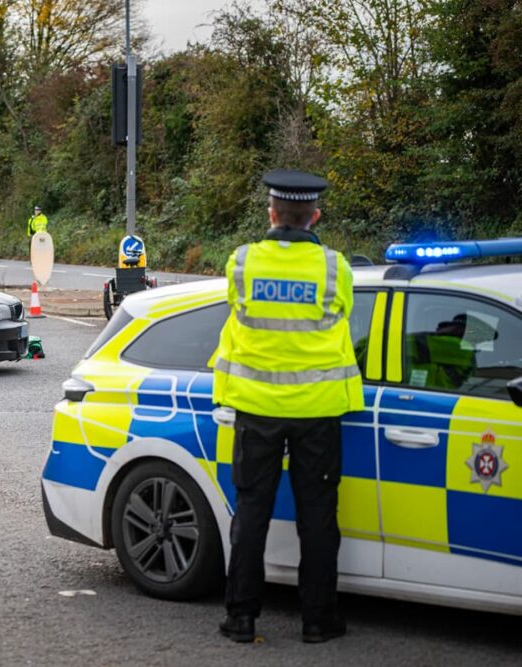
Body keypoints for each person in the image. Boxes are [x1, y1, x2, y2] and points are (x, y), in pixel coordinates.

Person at [211, 169, 364, 644]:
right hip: (318, 410)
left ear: (272, 214)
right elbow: (343, 314)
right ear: (314, 216)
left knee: (251, 513)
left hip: (255, 408)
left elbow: (237, 307)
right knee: (317, 517)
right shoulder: (335, 268)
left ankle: (241, 617)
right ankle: (319, 620)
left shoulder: (241, 263)